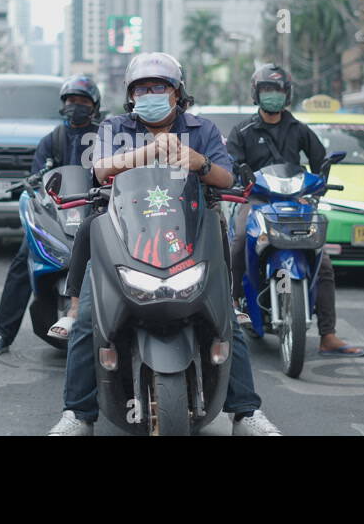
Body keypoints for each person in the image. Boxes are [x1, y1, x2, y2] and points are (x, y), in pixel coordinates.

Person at [48, 52, 281, 436]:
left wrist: (199, 163)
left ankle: (246, 412)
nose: (150, 94)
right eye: (142, 88)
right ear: (130, 95)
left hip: (189, 238)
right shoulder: (114, 126)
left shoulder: (202, 129)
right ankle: (78, 413)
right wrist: (148, 152)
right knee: (89, 319)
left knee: (226, 319)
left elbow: (225, 179)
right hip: (124, 236)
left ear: (178, 93)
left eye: (159, 87)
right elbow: (100, 169)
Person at [225, 63, 364, 357]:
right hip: (257, 202)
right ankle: (233, 308)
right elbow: (232, 167)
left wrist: (319, 182)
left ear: (286, 94)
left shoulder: (300, 130)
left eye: (277, 90)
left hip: (295, 203)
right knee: (238, 244)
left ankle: (328, 334)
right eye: (266, 90)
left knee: (323, 262)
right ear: (256, 93)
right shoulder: (243, 131)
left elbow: (319, 162)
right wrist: (240, 181)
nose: (272, 96)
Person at [0, 76, 102, 356]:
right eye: (71, 101)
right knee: (24, 259)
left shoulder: (105, 137)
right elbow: (39, 182)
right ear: (63, 105)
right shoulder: (52, 140)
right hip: (57, 217)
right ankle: (2, 332)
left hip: (94, 214)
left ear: (94, 107)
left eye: (83, 102)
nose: (76, 106)